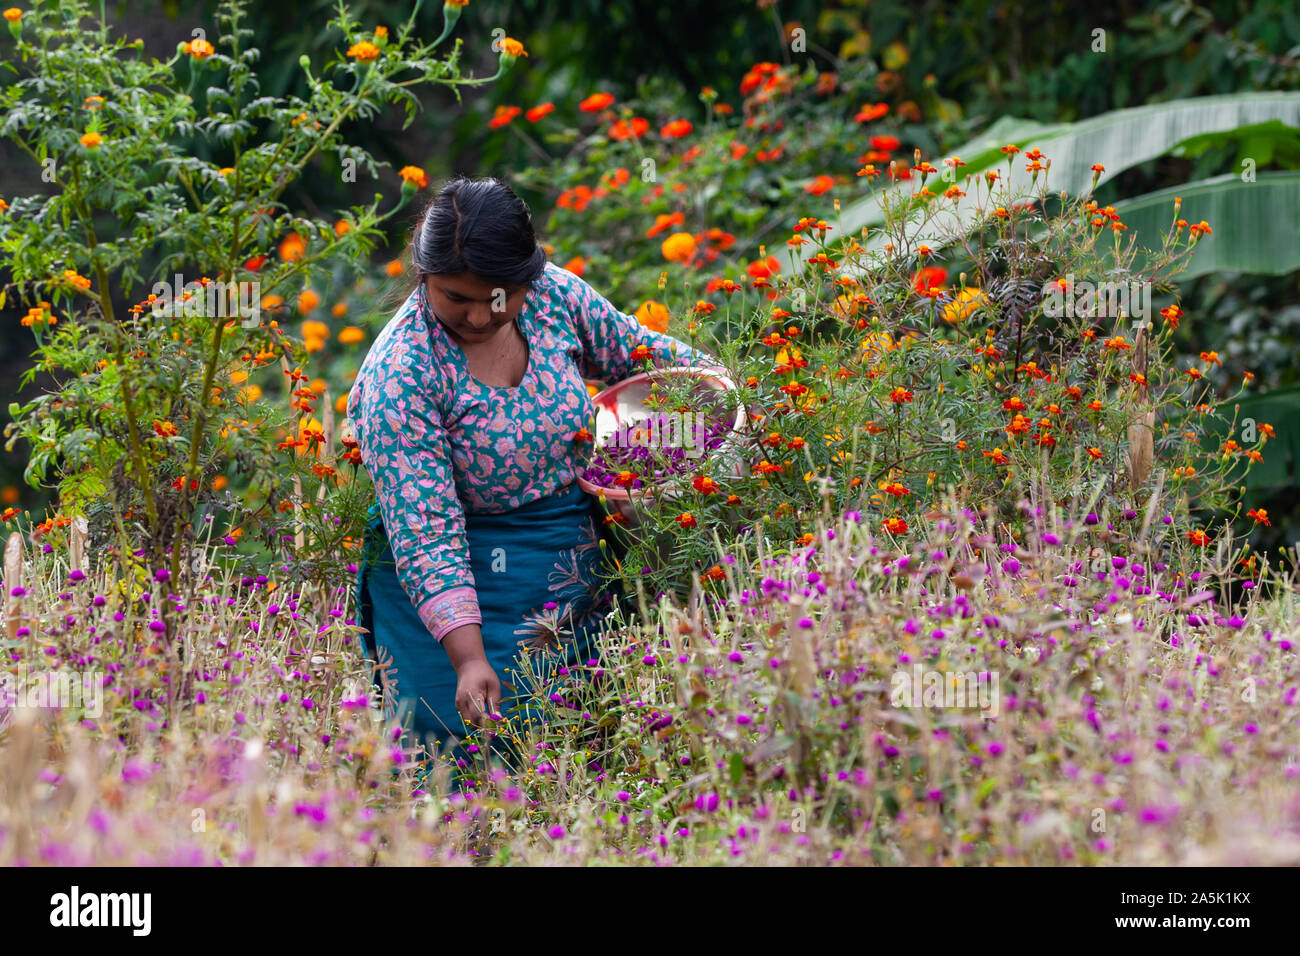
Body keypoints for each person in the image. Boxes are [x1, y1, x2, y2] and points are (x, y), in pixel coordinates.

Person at [347, 175, 715, 778]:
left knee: (588, 751)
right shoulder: (401, 374)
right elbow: (427, 534)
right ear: (423, 274)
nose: (472, 315)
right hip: (445, 588)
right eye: (452, 296)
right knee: (462, 769)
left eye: (492, 297)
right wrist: (468, 658)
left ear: (526, 278)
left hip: (564, 564)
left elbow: (638, 355)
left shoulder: (554, 299)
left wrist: (726, 389)